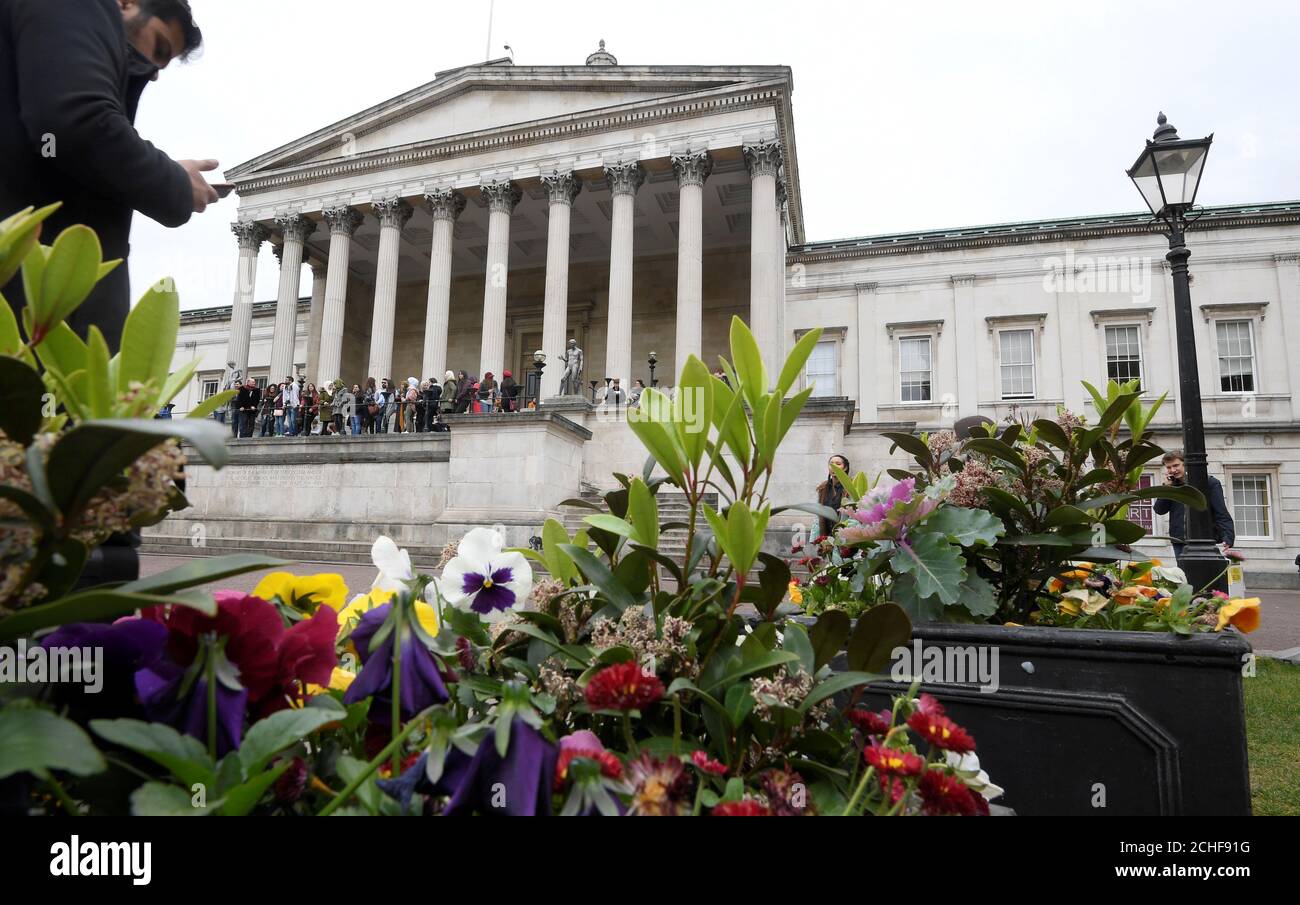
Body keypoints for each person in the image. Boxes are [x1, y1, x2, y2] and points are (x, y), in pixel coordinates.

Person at [1, 0, 218, 352]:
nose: (154, 70)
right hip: (32, 326)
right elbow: (76, 121)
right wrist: (176, 183)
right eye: (159, 47)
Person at [1152, 450, 1236, 558]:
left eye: (1176, 465)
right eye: (1169, 467)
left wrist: (1228, 536)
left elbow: (1221, 511)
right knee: (1184, 573)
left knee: (1204, 573)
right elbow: (1159, 510)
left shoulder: (1210, 483)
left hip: (1203, 539)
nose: (1173, 470)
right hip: (1179, 540)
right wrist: (1166, 488)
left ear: (1185, 463)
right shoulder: (1170, 486)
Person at [816, 454, 851, 539]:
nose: (833, 466)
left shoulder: (851, 487)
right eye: (831, 464)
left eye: (838, 464)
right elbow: (818, 514)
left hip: (845, 537)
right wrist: (818, 539)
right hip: (826, 536)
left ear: (845, 468)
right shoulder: (823, 488)